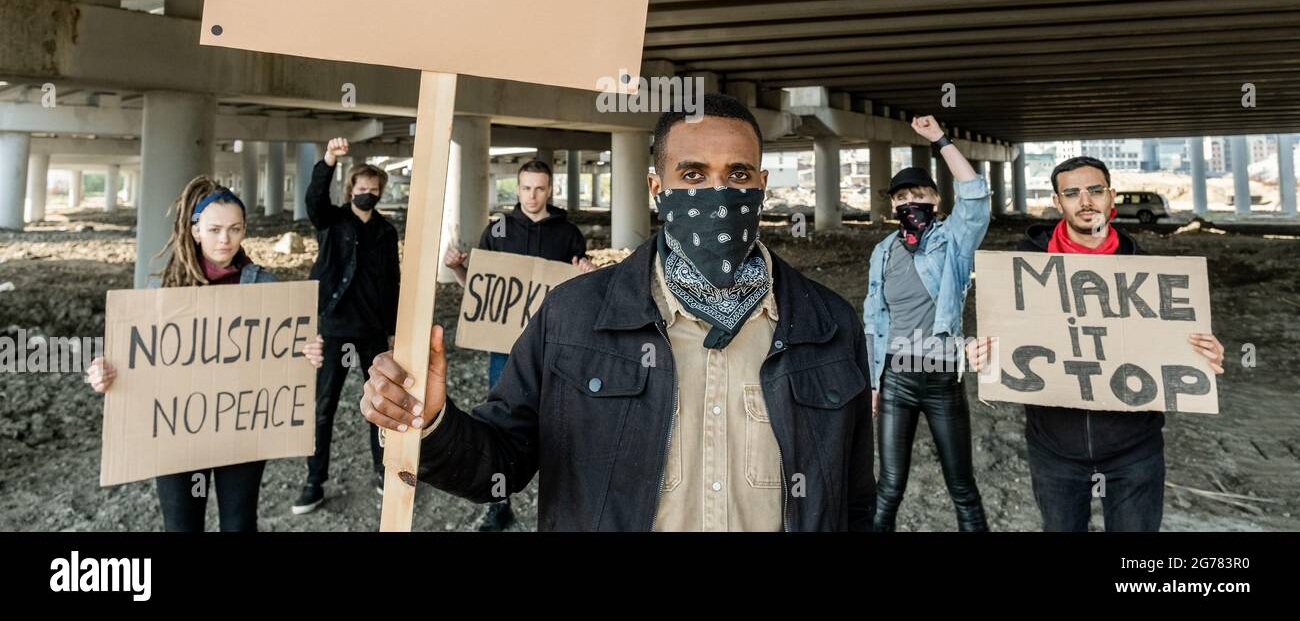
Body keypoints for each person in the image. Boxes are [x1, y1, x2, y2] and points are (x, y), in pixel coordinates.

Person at [364, 92, 875, 531]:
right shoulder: (572, 318)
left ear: (761, 185)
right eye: (693, 174)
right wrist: (431, 420)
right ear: (657, 189)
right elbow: (501, 459)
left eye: (737, 174)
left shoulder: (828, 325)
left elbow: (852, 500)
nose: (717, 194)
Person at [967, 155, 1225, 531]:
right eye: (1072, 193)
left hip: (1134, 450)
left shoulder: (1150, 272)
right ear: (1058, 203)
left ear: (1111, 196)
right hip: (1054, 451)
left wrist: (1201, 354)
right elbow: (1002, 337)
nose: (1085, 201)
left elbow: (1172, 343)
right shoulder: (1019, 271)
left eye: (1095, 190)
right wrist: (984, 353)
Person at [86, 176, 324, 531]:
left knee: (239, 524)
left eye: (234, 229)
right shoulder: (161, 289)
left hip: (241, 426)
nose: (224, 239)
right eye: (214, 229)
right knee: (181, 526)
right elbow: (136, 359)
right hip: (176, 430)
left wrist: (306, 354)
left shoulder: (265, 287)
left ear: (244, 231)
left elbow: (282, 361)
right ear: (195, 230)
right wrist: (105, 375)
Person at [441, 158, 594, 530]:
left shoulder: (569, 234)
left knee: (562, 420)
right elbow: (480, 292)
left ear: (550, 189)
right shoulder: (497, 230)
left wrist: (586, 276)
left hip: (556, 344)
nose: (532, 195)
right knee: (501, 421)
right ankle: (499, 504)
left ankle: (564, 502)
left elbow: (579, 295)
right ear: (518, 187)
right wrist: (460, 268)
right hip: (504, 346)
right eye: (526, 187)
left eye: (539, 188)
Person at [863, 116, 991, 531]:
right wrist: (872, 382)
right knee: (889, 487)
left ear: (936, 200)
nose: (909, 203)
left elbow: (975, 195)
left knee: (962, 487)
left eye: (919, 195)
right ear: (892, 207)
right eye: (901, 198)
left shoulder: (953, 241)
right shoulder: (883, 252)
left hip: (941, 377)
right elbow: (873, 318)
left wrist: (939, 139)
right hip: (896, 378)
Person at [292, 137, 401, 515]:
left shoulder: (386, 233)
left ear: (380, 193)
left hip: (372, 332)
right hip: (334, 329)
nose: (367, 194)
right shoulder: (332, 221)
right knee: (323, 408)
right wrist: (328, 160)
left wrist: (393, 328)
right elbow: (314, 201)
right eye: (361, 189)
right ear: (351, 190)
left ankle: (383, 473)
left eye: (373, 190)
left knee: (378, 408)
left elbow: (393, 281)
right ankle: (313, 482)